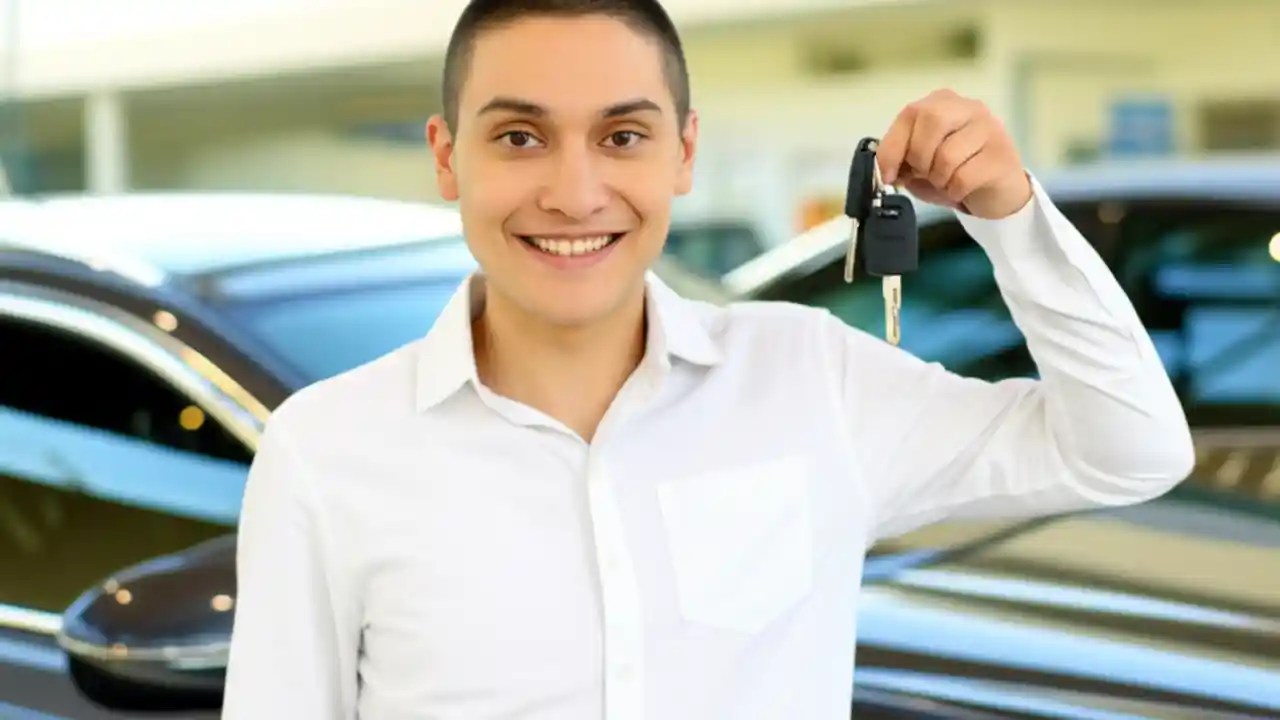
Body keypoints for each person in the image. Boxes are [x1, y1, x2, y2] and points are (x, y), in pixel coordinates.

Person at [220, 1, 1195, 718]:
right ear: (446, 158)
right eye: (519, 136)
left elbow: (1129, 451)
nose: (572, 191)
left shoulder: (810, 376)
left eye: (622, 136)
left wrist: (1010, 219)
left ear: (682, 154)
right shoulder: (328, 449)